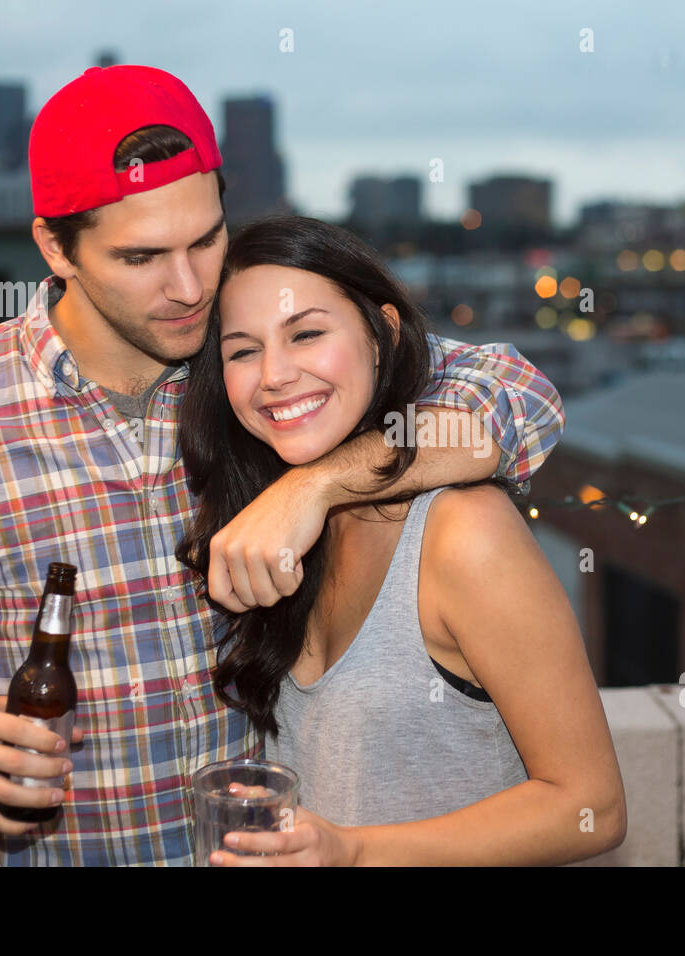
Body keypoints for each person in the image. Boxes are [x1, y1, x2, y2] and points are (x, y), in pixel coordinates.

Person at [0, 65, 565, 866]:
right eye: (142, 257)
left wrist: (316, 483)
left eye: (205, 239)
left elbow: (521, 397)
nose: (190, 288)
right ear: (56, 246)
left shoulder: (257, 360)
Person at [176, 216, 625, 866]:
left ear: (382, 333)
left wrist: (353, 852)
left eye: (306, 333)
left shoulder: (463, 531)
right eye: (243, 350)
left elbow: (593, 808)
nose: (273, 374)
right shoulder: (279, 525)